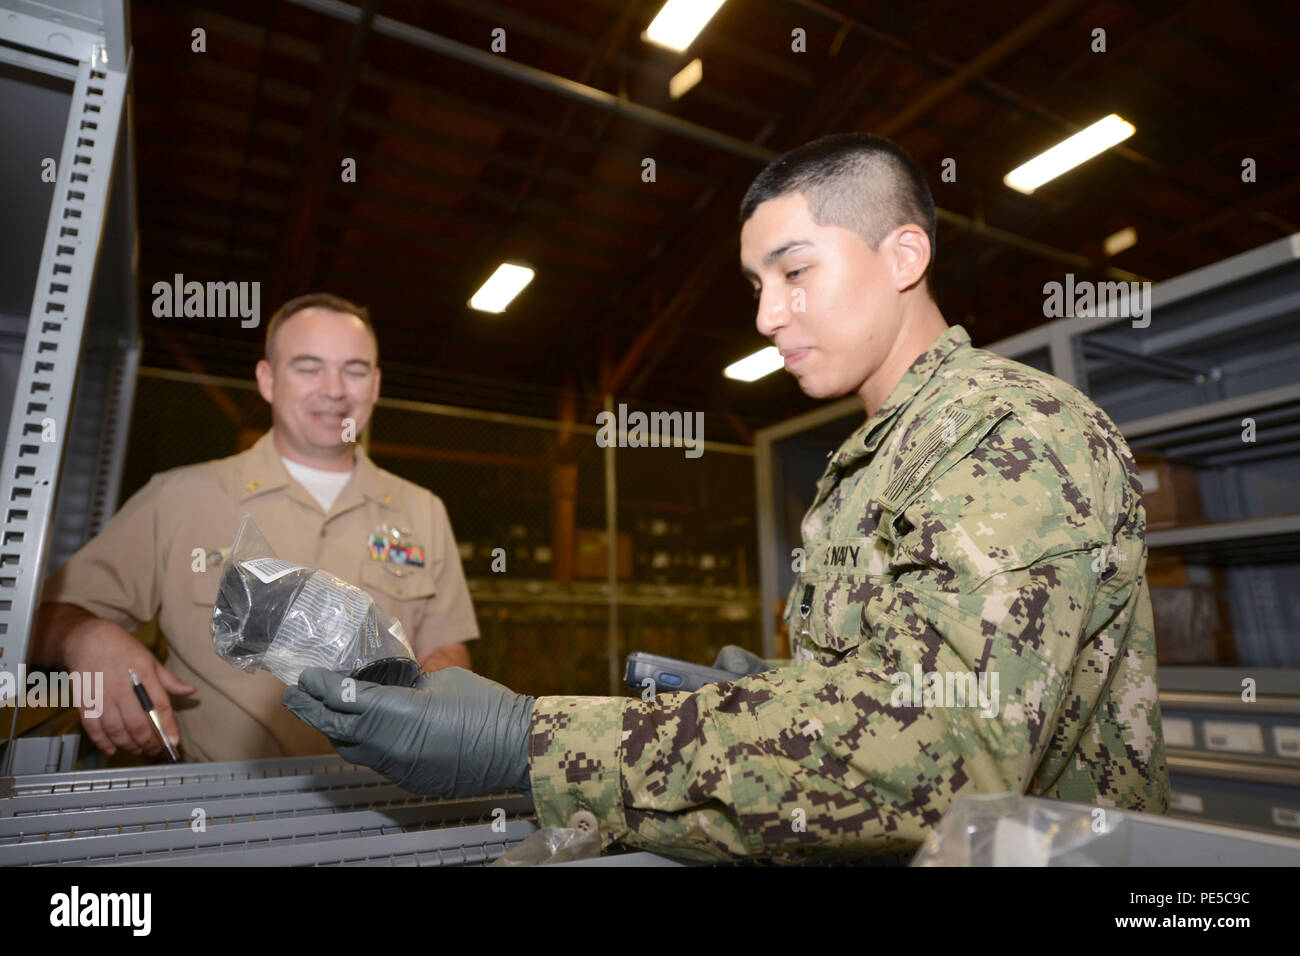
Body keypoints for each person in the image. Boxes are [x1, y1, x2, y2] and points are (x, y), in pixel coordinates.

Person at [283, 135, 1170, 862]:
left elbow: (945, 753)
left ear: (904, 255)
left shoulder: (1009, 430)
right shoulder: (872, 461)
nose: (766, 317)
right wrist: (784, 698)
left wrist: (529, 741)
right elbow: (862, 741)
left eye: (794, 274)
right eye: (756, 287)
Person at [29, 293, 478, 763]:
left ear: (376, 384)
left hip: (385, 796)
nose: (334, 390)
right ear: (266, 379)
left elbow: (447, 649)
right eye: (308, 367)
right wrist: (86, 639)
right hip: (218, 811)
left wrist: (429, 694)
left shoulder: (421, 510)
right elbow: (40, 620)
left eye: (355, 369)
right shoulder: (180, 496)